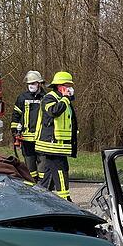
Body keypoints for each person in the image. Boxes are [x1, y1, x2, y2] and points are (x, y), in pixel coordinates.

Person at [34, 71, 77, 200]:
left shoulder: (64, 100)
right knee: (61, 169)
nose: (69, 88)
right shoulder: (49, 98)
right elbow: (53, 111)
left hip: (59, 144)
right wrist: (65, 99)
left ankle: (41, 197)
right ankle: (65, 199)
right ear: (59, 86)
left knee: (49, 171)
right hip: (52, 144)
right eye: (67, 85)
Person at [10, 70, 45, 180]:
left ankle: (43, 185)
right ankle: (32, 183)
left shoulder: (46, 97)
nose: (31, 86)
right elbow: (16, 115)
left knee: (43, 166)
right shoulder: (22, 98)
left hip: (42, 138)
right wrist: (15, 131)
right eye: (29, 83)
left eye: (33, 83)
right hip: (26, 139)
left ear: (39, 84)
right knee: (30, 167)